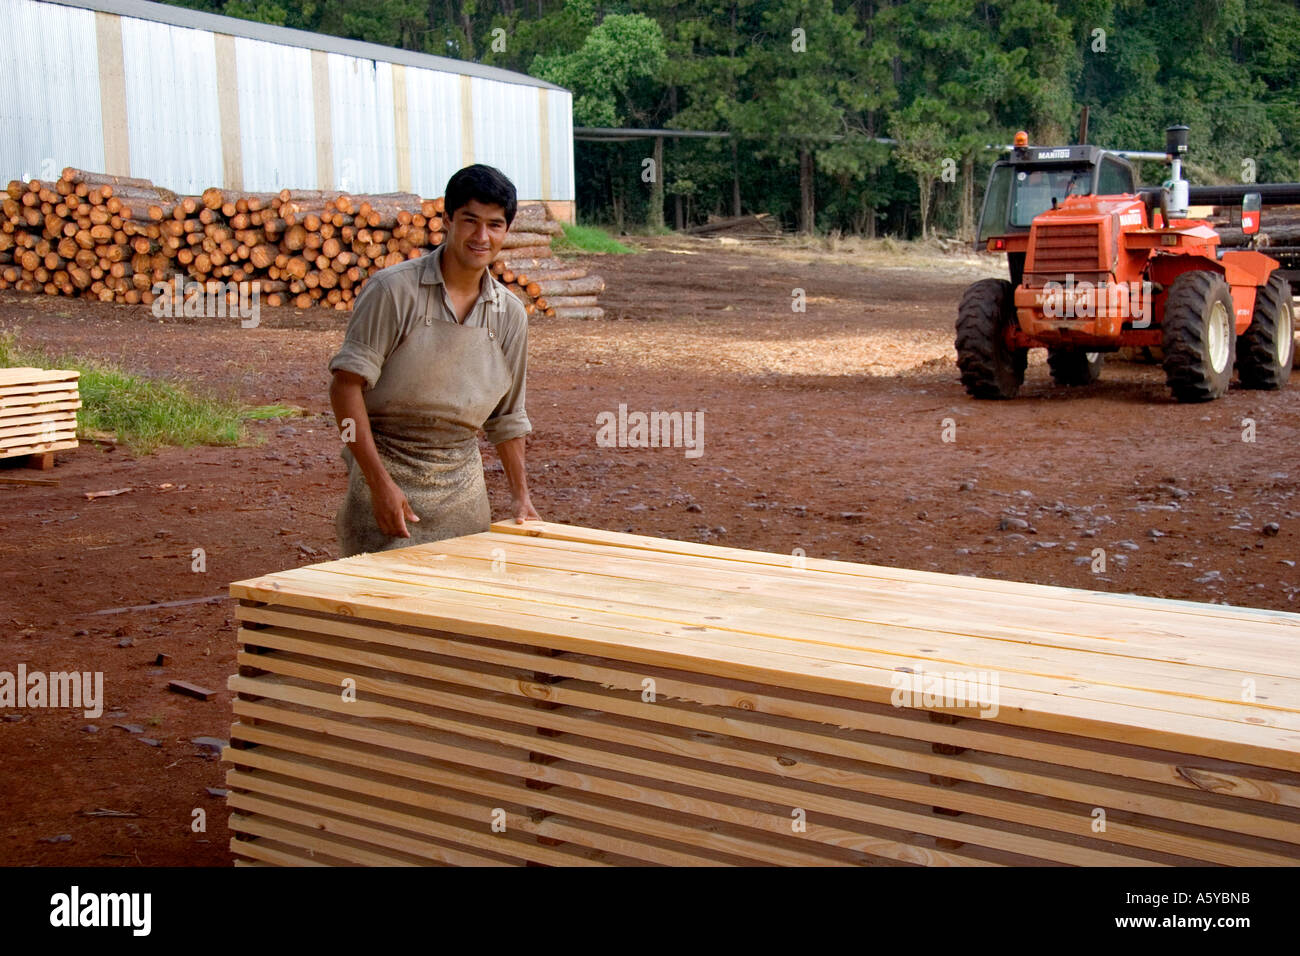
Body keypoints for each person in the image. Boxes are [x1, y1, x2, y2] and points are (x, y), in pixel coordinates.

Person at [327, 164, 539, 557]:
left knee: (460, 605)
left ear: (506, 231)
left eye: (494, 225)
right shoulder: (392, 292)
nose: (481, 236)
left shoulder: (509, 315)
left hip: (463, 489)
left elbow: (508, 418)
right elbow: (344, 389)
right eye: (469, 221)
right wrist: (378, 484)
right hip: (386, 472)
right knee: (380, 607)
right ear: (447, 220)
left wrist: (521, 498)